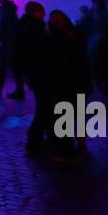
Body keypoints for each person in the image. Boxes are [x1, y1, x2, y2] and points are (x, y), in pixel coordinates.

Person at [27, 10, 87, 157]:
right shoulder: (66, 36)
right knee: (64, 113)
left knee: (55, 113)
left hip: (64, 81)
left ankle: (65, 144)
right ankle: (69, 145)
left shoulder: (51, 37)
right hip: (64, 81)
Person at [13, 1, 47, 105]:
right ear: (36, 12)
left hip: (25, 62)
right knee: (41, 92)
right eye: (42, 12)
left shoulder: (22, 23)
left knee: (38, 91)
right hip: (35, 62)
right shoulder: (37, 25)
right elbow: (38, 45)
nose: (44, 14)